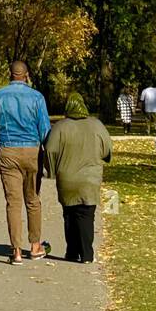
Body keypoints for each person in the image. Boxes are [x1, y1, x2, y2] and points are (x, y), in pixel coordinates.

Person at [0, 59, 52, 264]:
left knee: (13, 203)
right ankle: (35, 246)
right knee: (33, 200)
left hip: (8, 150)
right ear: (26, 75)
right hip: (32, 150)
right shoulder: (37, 97)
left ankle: (16, 251)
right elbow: (45, 129)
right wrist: (47, 156)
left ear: (10, 74)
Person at [43, 93, 112, 264]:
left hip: (67, 178)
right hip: (90, 178)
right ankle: (87, 254)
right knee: (87, 214)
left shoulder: (60, 127)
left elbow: (50, 150)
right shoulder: (97, 125)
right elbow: (107, 150)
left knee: (69, 214)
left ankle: (72, 251)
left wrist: (51, 171)